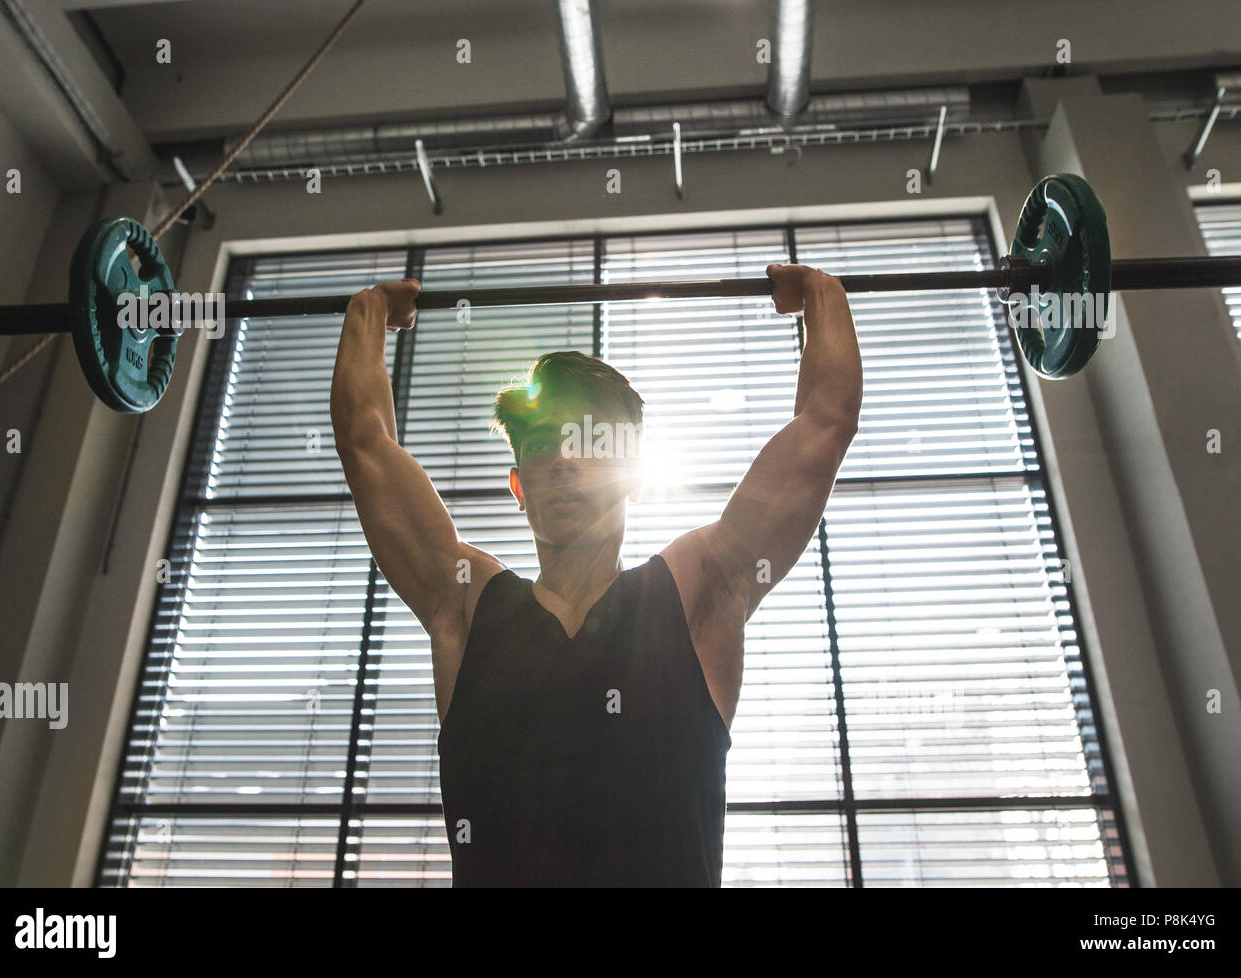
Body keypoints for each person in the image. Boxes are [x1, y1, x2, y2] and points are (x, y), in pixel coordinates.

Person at [330, 263, 862, 886]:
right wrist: (365, 317)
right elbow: (365, 442)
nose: (563, 459)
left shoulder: (696, 592)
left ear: (634, 474)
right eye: (542, 444)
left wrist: (823, 297)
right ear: (518, 487)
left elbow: (825, 423)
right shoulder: (467, 607)